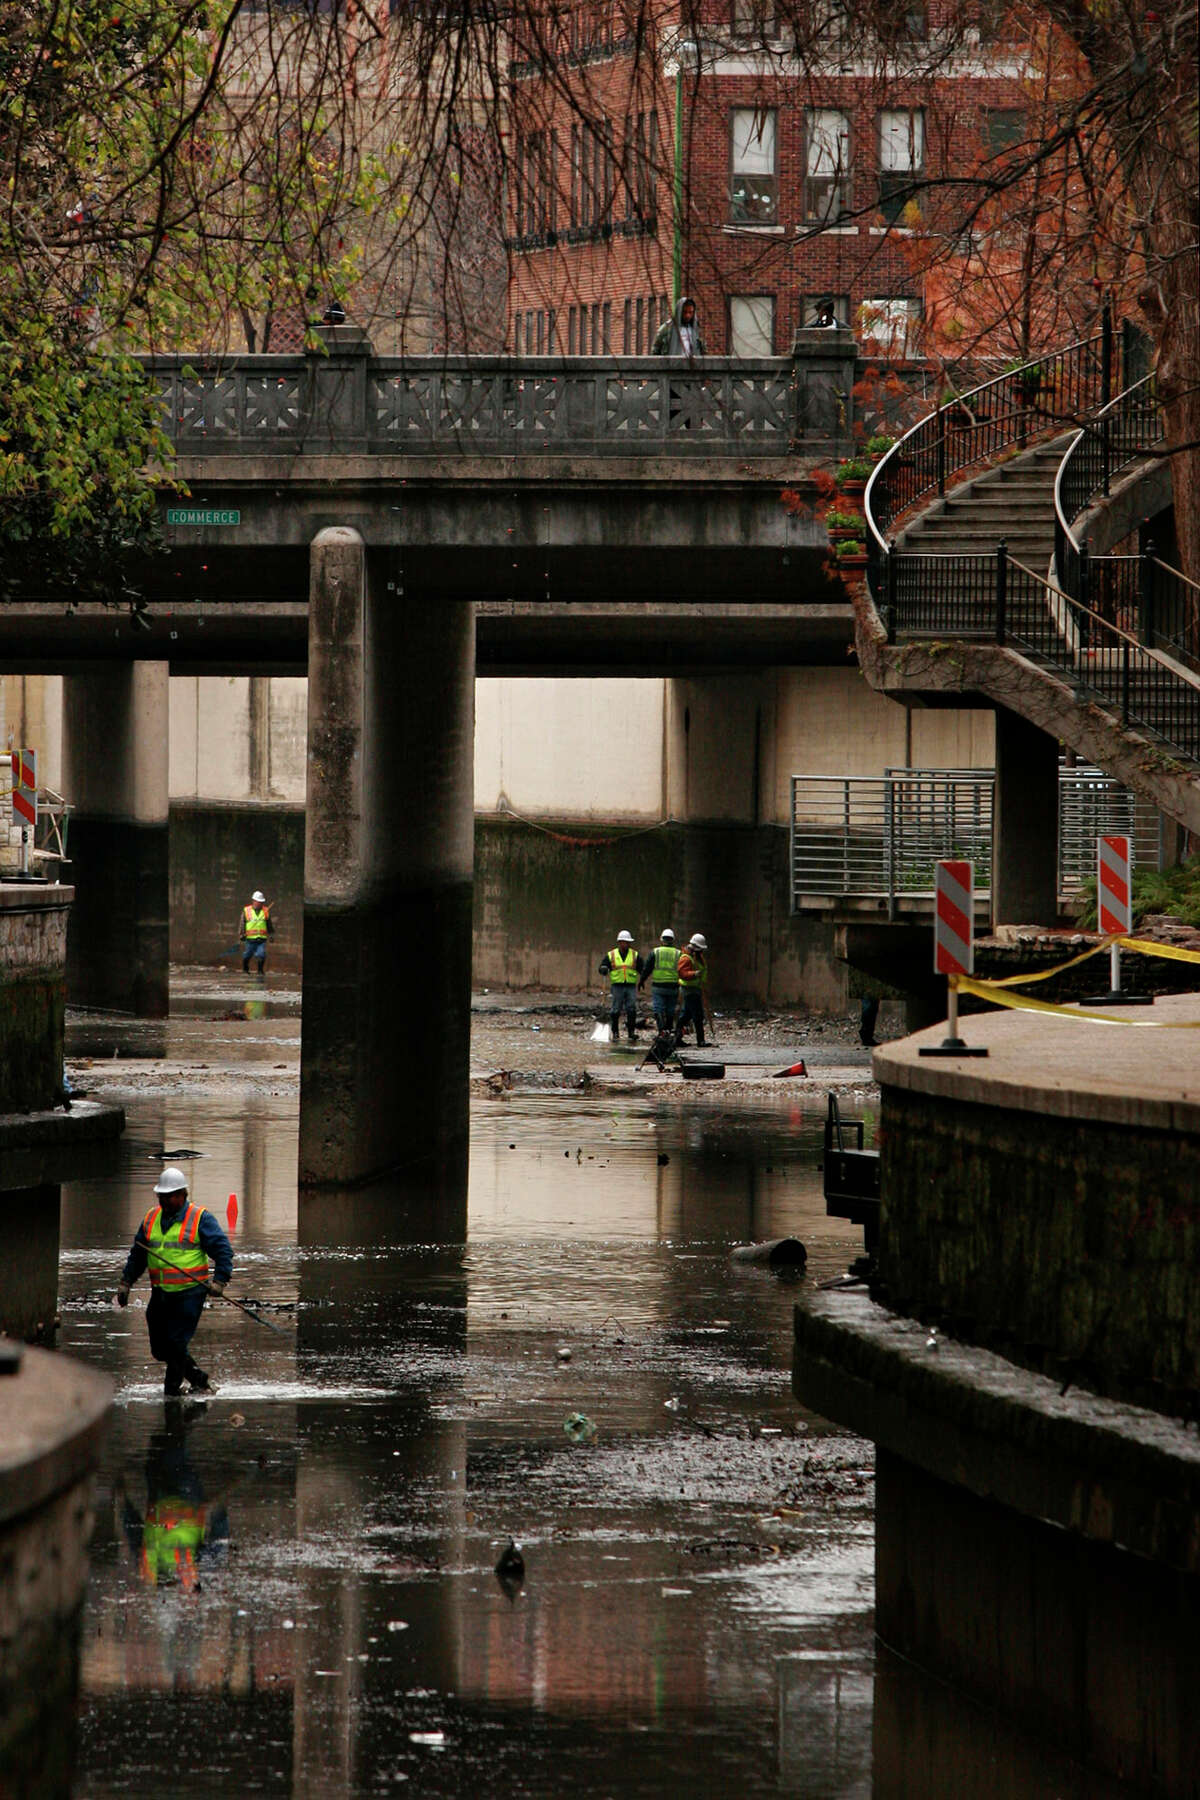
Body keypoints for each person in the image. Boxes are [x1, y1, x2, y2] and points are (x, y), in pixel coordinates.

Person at [116, 1166, 234, 1397]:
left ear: (182, 1194)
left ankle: (172, 1393)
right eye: (162, 1196)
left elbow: (223, 1250)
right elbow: (138, 1254)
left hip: (189, 1293)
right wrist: (126, 1282)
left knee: (176, 1343)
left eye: (169, 1196)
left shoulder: (201, 1218)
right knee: (160, 1349)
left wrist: (220, 1281)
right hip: (161, 1293)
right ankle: (199, 1379)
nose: (165, 1201)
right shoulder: (151, 1218)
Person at [599, 929, 640, 1042]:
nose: (626, 944)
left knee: (631, 1009)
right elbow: (602, 966)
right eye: (624, 942)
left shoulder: (634, 954)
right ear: (620, 942)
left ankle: (631, 1033)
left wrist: (642, 980)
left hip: (630, 985)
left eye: (628, 942)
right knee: (615, 1010)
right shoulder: (611, 954)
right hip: (617, 986)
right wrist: (603, 969)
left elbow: (642, 967)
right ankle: (615, 1032)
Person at [638, 928, 681, 1032]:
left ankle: (662, 1031)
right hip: (673, 986)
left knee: (658, 1009)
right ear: (672, 940)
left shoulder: (655, 952)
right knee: (670, 1009)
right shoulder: (678, 953)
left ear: (662, 940)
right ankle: (669, 1030)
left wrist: (641, 980)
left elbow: (647, 968)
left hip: (658, 986)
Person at [676, 932, 710, 1047]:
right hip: (689, 989)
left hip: (696, 988)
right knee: (697, 1014)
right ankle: (700, 1040)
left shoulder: (696, 957)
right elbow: (682, 973)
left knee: (687, 1014)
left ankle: (676, 1037)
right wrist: (694, 974)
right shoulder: (686, 958)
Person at [239, 888, 274, 975]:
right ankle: (245, 969)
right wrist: (241, 934)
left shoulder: (265, 911)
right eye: (258, 901)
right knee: (247, 954)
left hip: (261, 939)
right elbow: (242, 923)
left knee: (261, 954)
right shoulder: (247, 911)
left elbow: (269, 925)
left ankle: (260, 970)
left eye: (261, 902)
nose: (260, 903)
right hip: (250, 939)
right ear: (253, 901)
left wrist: (271, 935)